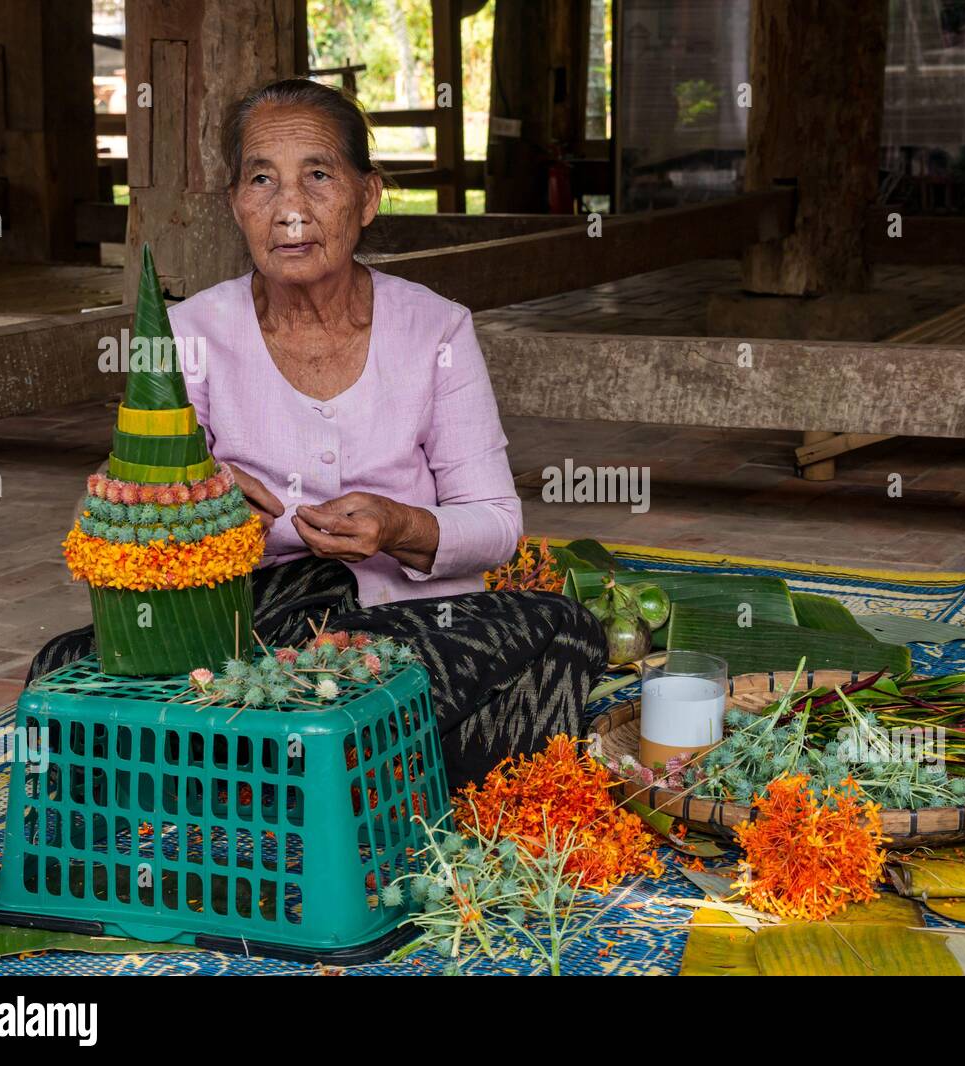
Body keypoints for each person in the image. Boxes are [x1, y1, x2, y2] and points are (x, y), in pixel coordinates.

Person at [30, 78, 605, 788]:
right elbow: (119, 523)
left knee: (563, 628)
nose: (290, 209)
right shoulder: (187, 336)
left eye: (319, 176)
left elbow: (494, 524)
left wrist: (400, 526)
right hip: (253, 633)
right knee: (64, 665)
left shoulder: (436, 330)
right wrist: (203, 505)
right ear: (235, 203)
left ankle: (265, 762)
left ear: (367, 196)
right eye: (262, 180)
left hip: (404, 636)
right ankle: (350, 764)